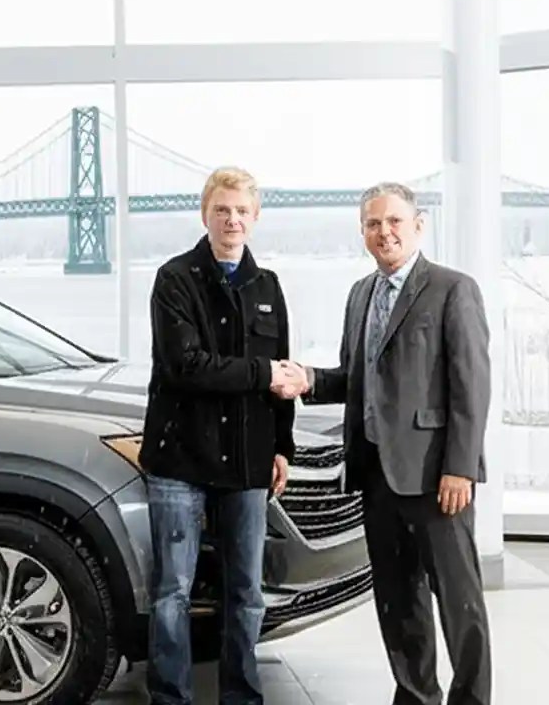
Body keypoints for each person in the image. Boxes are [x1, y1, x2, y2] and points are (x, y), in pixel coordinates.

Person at [290, 181, 492, 705]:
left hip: (435, 476)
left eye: (394, 221)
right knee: (398, 599)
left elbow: (472, 384)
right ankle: (415, 694)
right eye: (374, 224)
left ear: (417, 225)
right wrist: (308, 379)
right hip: (377, 472)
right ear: (363, 232)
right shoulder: (360, 295)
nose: (385, 232)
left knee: (459, 601)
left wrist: (461, 467)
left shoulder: (454, 289)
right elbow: (356, 378)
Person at [139, 166, 301, 705]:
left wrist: (283, 446)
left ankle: (242, 697)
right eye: (222, 210)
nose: (232, 220)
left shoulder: (268, 287)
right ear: (205, 214)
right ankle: (170, 697)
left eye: (242, 211)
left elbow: (281, 377)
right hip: (180, 458)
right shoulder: (174, 279)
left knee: (247, 593)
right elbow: (185, 365)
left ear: (255, 218)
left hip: (250, 460)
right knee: (171, 592)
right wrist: (260, 375)